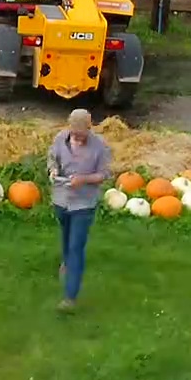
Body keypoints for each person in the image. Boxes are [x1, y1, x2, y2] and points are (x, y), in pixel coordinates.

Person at [48, 108, 112, 311]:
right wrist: (53, 170)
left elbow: (104, 174)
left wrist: (82, 180)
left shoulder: (99, 146)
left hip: (84, 204)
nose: (76, 137)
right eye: (74, 133)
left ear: (89, 128)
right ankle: (66, 262)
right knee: (66, 236)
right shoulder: (60, 139)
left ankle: (70, 297)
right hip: (61, 199)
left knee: (76, 246)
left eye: (80, 134)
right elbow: (52, 157)